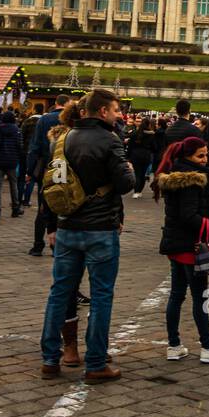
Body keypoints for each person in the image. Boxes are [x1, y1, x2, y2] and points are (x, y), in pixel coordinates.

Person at [39, 89, 135, 383]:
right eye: (116, 110)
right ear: (103, 111)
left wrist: (52, 225)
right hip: (100, 229)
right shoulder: (110, 140)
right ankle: (95, 362)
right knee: (101, 295)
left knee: (60, 292)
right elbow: (125, 184)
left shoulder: (62, 139)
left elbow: (53, 184)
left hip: (68, 226)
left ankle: (49, 359)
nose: (119, 115)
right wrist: (129, 170)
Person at [154, 136, 209, 364]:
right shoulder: (192, 180)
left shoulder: (175, 176)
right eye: (200, 155)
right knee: (201, 296)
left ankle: (174, 344)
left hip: (176, 244)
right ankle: (208, 346)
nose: (204, 159)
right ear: (188, 156)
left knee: (177, 295)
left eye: (205, 154)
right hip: (191, 246)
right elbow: (188, 215)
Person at [27, 94, 73, 257]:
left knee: (43, 205)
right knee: (62, 204)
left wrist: (30, 170)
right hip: (66, 168)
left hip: (47, 166)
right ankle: (57, 245)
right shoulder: (70, 120)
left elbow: (35, 145)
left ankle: (38, 244)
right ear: (66, 104)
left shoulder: (44, 120)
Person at [0, 109, 23, 220]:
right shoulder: (17, 130)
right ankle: (15, 208)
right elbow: (20, 146)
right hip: (12, 160)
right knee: (13, 184)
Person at [126, 116, 156, 198]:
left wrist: (128, 156)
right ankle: (139, 190)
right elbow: (154, 147)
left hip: (135, 154)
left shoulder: (135, 133)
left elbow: (130, 145)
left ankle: (136, 191)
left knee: (137, 173)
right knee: (142, 174)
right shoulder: (151, 135)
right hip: (146, 155)